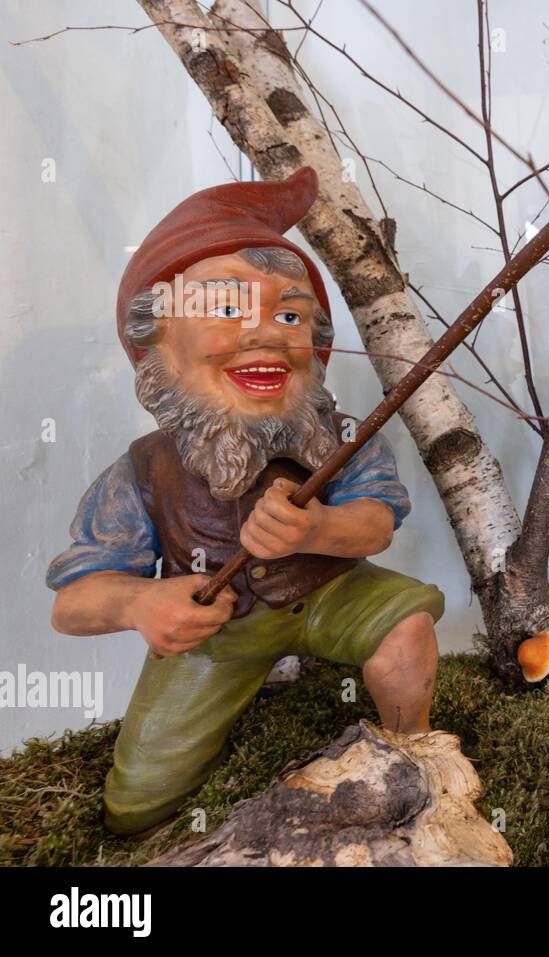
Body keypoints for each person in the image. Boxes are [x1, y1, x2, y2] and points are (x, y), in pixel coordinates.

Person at [46, 168, 443, 834]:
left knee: (407, 629)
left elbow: (375, 524)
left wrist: (317, 529)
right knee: (138, 795)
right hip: (217, 636)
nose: (267, 334)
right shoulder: (144, 472)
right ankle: (148, 834)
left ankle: (413, 762)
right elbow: (71, 601)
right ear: (154, 345)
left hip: (333, 595)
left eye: (289, 314)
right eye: (225, 310)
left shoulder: (337, 438)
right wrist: (141, 602)